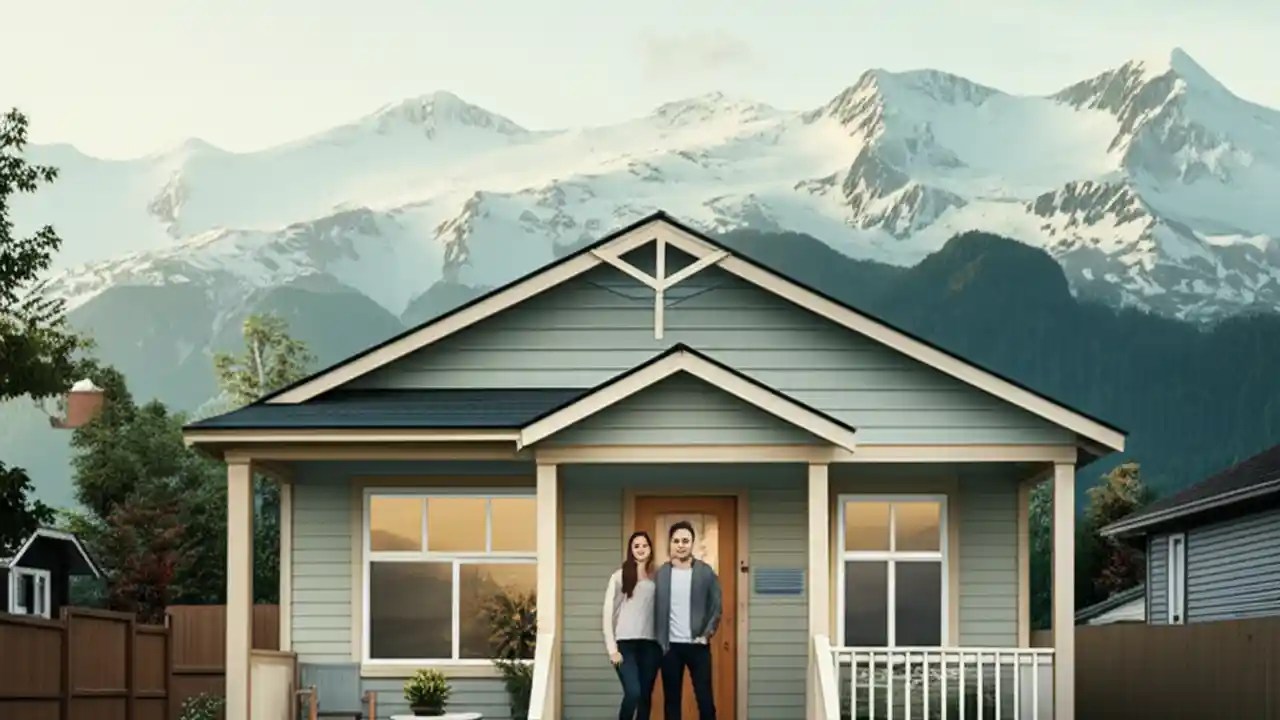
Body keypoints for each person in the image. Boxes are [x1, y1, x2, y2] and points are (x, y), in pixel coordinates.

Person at [654, 520, 722, 720]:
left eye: (685, 540)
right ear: (670, 544)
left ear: (692, 543)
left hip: (698, 646)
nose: (681, 545)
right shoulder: (662, 573)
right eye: (676, 541)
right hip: (670, 648)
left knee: (705, 701)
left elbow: (716, 607)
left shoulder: (705, 572)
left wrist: (706, 634)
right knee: (672, 702)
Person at [603, 530, 662, 720]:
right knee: (633, 692)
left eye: (645, 545)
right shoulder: (620, 576)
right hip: (625, 645)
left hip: (651, 646)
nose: (641, 549)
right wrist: (612, 649)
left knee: (645, 697)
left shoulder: (657, 577)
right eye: (636, 546)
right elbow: (607, 614)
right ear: (631, 550)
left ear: (650, 549)